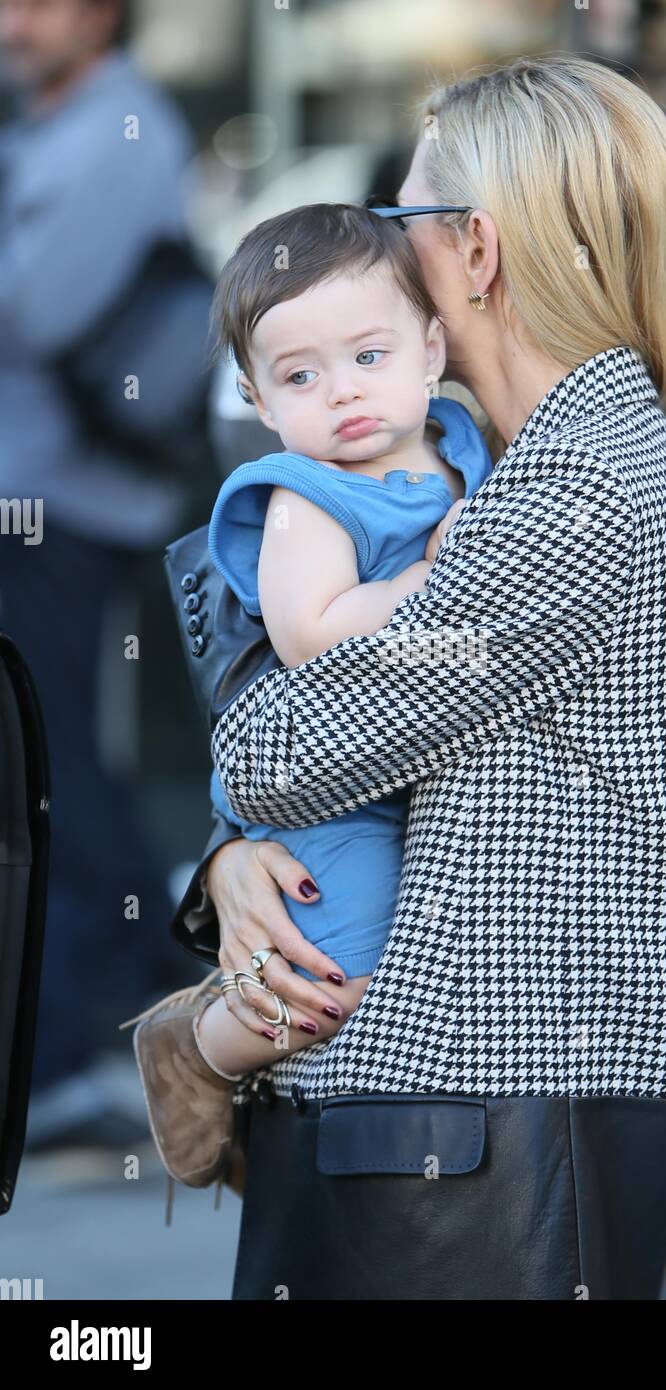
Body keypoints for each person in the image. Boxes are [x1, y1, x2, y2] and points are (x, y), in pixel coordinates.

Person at [174, 54, 666, 1300]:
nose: (377, 252)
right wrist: (230, 861)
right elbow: (338, 726)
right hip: (476, 1119)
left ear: (475, 253)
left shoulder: (568, 495)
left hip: (499, 1139)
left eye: (400, 220)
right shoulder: (493, 459)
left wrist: (237, 816)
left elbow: (282, 750)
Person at [187, 202, 492, 1076]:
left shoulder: (460, 444)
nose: (345, 390)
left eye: (369, 357)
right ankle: (200, 1053)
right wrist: (417, 583)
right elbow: (310, 636)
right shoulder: (305, 499)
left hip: (417, 773)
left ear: (430, 351)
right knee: (342, 980)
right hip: (329, 797)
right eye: (300, 377)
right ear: (257, 398)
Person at [0, 0, 199, 1144]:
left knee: (52, 766)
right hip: (37, 500)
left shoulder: (125, 130)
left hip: (63, 511)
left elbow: (36, 302)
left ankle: (65, 1052)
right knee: (58, 763)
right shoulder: (44, 128)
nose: (17, 23)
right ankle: (129, 979)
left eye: (43, 3)